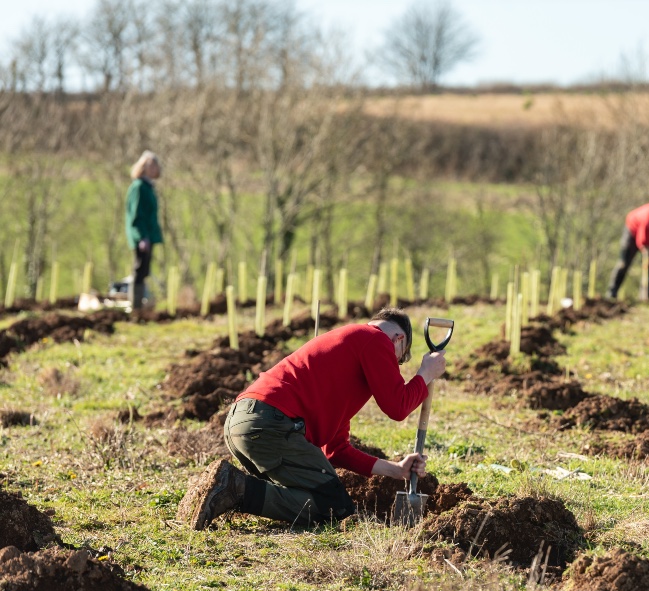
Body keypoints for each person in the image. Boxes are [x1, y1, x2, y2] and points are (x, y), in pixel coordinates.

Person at [177, 307, 447, 530]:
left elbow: (337, 451)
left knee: (315, 497)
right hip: (272, 425)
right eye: (399, 361)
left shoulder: (346, 352)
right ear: (399, 339)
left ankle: (228, 489)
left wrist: (396, 469)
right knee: (334, 508)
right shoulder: (376, 339)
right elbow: (397, 407)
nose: (394, 365)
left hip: (244, 423)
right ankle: (236, 489)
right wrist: (425, 373)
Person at [124, 151, 164, 311]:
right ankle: (135, 307)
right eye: (152, 166)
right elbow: (136, 215)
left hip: (148, 235)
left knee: (144, 270)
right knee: (139, 270)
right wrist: (141, 237)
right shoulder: (139, 187)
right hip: (142, 237)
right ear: (145, 167)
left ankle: (139, 305)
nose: (155, 169)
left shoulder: (148, 187)